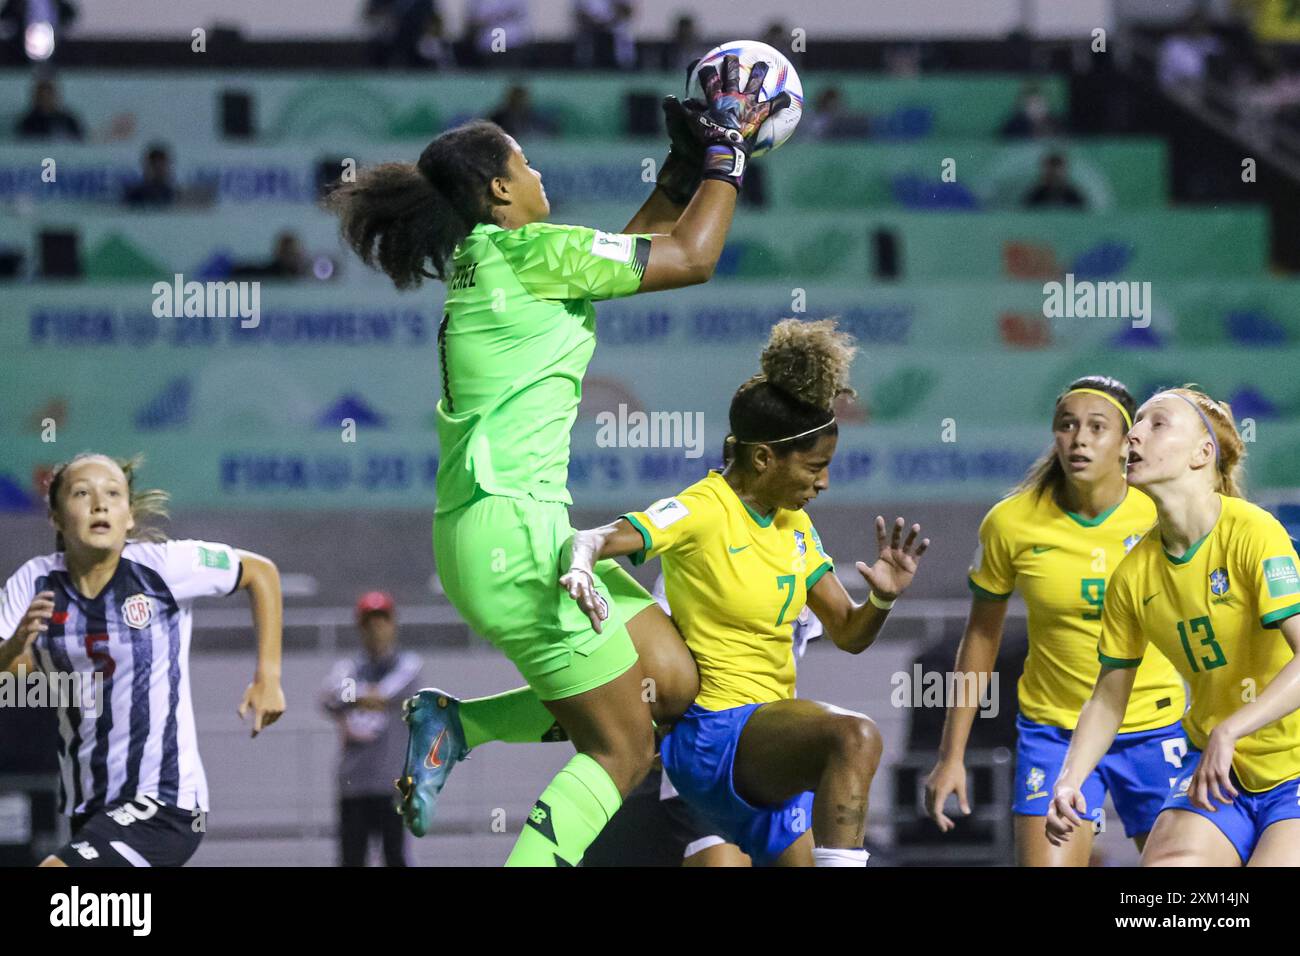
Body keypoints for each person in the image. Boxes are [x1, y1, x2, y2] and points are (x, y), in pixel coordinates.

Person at [325, 55, 792, 867]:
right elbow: (692, 258)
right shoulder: (529, 255)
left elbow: (636, 248)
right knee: (623, 748)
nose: (538, 174)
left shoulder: (505, 260)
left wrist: (684, 170)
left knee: (672, 683)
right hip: (513, 543)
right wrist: (727, 153)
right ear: (501, 191)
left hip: (510, 530)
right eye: (525, 163)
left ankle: (459, 724)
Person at [563, 319, 929, 866]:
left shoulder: (795, 527)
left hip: (766, 742)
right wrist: (581, 563)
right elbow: (598, 536)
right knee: (855, 736)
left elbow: (851, 635)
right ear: (763, 459)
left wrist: (882, 599)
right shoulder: (704, 508)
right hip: (712, 734)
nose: (824, 483)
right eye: (814, 467)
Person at [925, 376, 1186, 866]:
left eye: (1096, 427)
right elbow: (981, 636)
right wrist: (951, 755)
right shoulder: (1011, 523)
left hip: (1156, 729)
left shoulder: (1162, 514)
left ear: (1125, 443)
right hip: (1055, 733)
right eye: (1067, 425)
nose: (1079, 438)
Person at [1047, 387, 1300, 866]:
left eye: (1156, 424)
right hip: (1217, 772)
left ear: (1203, 453)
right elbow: (1108, 695)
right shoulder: (1132, 575)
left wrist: (1231, 729)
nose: (1133, 436)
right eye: (1135, 424)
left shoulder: (1253, 532)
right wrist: (1069, 778)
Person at [0, 453, 285, 867]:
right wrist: (15, 646)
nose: (100, 503)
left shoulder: (162, 568)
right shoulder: (34, 581)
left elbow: (260, 573)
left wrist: (269, 677)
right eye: (82, 493)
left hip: (166, 802)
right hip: (90, 809)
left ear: (129, 517)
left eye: (113, 494)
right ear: (57, 519)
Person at [320, 591, 422, 867]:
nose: (375, 629)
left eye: (382, 620)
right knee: (351, 859)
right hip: (353, 784)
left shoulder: (408, 665)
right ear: (359, 627)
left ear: (392, 624)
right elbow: (329, 694)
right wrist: (363, 696)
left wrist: (352, 698)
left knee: (395, 856)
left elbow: (389, 692)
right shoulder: (348, 666)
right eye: (368, 622)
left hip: (393, 784)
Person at [14, 77, 83, 141]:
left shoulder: (68, 120)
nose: (45, 100)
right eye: (42, 97)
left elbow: (79, 140)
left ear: (55, 97)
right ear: (35, 98)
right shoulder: (27, 122)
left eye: (48, 96)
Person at [122, 143, 177, 208]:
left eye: (162, 167)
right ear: (147, 167)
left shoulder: (174, 194)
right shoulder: (135, 193)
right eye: (155, 167)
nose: (159, 171)